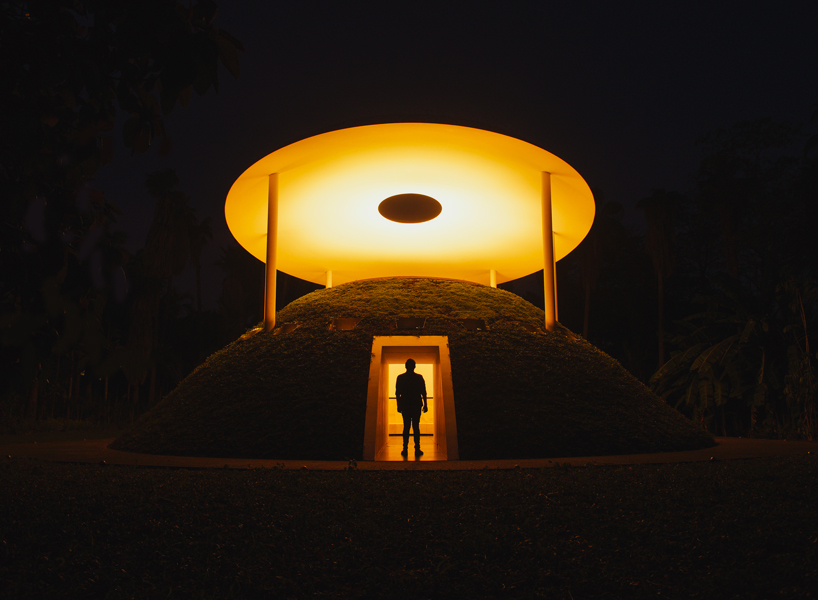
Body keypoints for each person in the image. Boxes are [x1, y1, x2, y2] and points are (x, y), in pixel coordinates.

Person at [395, 359, 428, 456]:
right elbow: (423, 392)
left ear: (405, 366)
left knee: (406, 427)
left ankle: (405, 449)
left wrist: (398, 405)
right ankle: (417, 448)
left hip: (405, 404)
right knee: (416, 427)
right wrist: (425, 404)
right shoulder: (419, 377)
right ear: (414, 366)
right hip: (416, 404)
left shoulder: (400, 378)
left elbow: (397, 393)